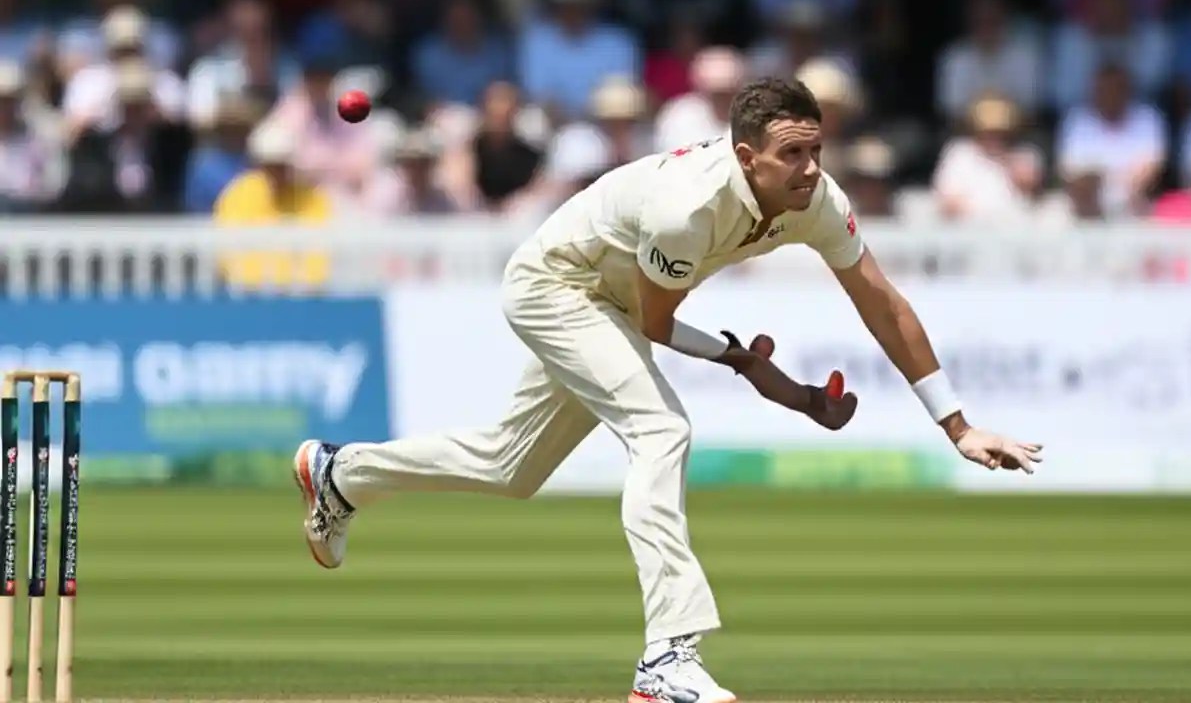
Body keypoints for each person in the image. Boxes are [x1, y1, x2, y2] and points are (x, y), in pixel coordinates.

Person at [289, 78, 1042, 703]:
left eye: (816, 151)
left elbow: (882, 301)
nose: (811, 171)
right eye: (792, 156)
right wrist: (749, 366)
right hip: (560, 287)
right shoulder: (689, 206)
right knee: (661, 430)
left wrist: (956, 426)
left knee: (509, 469)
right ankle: (667, 660)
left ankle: (340, 474)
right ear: (747, 157)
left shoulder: (815, 197)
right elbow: (655, 323)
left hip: (612, 301)